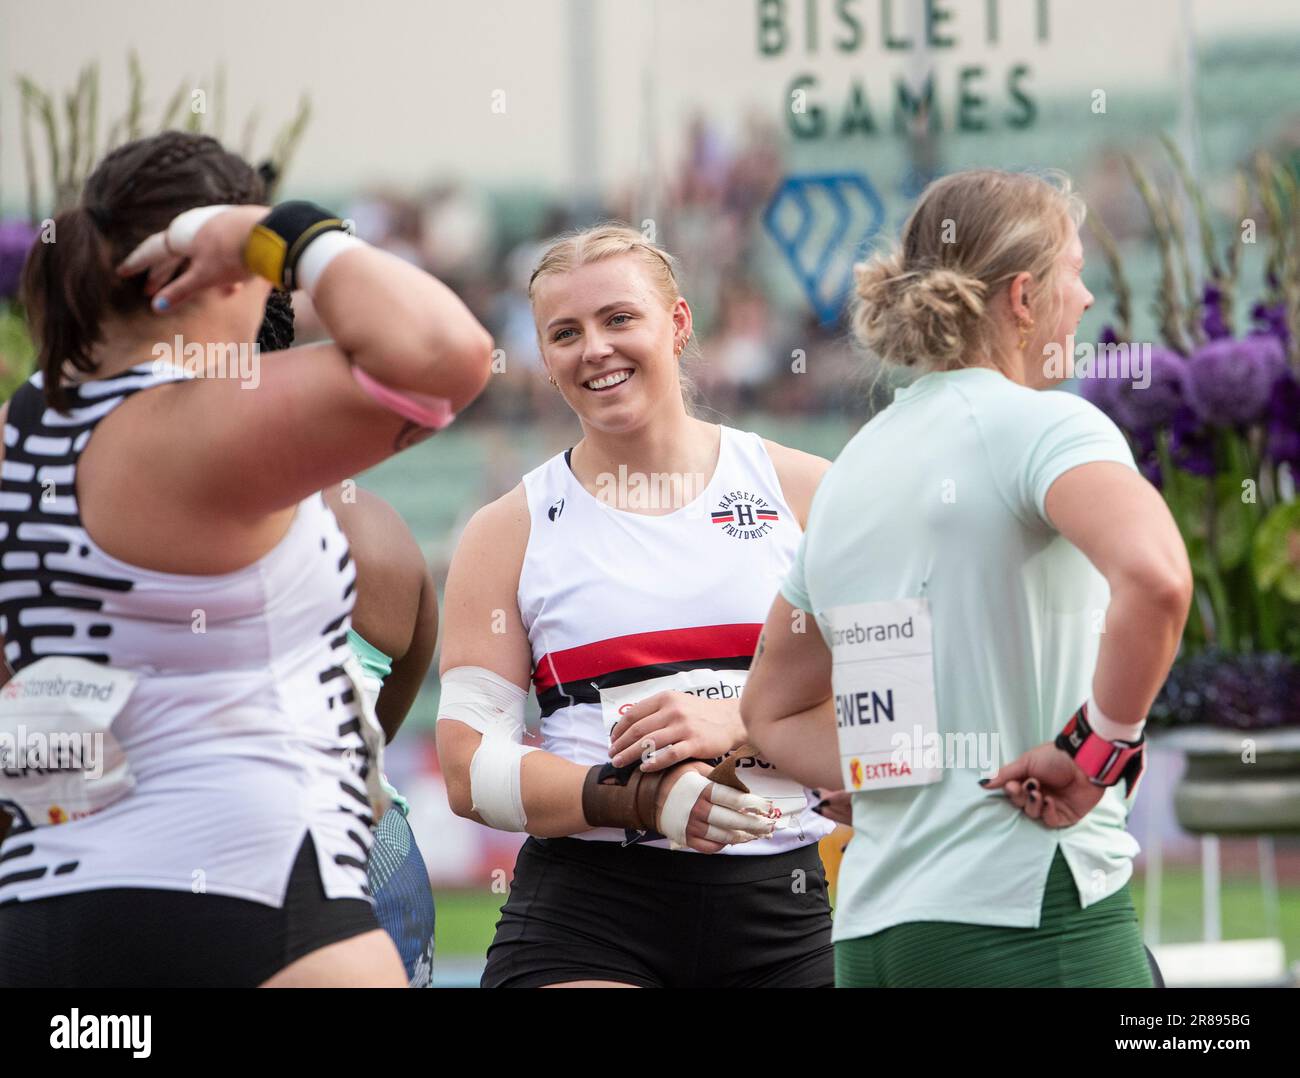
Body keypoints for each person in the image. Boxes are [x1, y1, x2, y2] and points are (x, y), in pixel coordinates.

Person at [0, 131, 492, 987]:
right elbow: (449, 355)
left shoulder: (23, 424)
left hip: (47, 905)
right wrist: (291, 233)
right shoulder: (202, 424)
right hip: (258, 893)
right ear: (218, 268)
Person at [740, 168, 1193, 988]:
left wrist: (901, 773)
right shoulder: (1049, 425)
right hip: (1029, 913)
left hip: (875, 931)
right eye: (1074, 271)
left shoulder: (852, 470)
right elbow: (1159, 581)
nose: (1087, 298)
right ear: (1023, 297)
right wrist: (1098, 749)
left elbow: (770, 712)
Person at [436, 223, 836, 989]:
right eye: (565, 333)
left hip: (781, 904)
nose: (595, 348)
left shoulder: (808, 492)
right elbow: (469, 770)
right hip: (587, 909)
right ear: (546, 362)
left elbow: (902, 713)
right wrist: (646, 800)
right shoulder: (504, 531)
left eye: (619, 318)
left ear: (678, 325)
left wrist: (749, 720)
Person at [257, 290, 441, 988]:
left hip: (224, 869)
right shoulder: (382, 530)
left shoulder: (126, 509)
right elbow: (375, 734)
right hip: (374, 857)